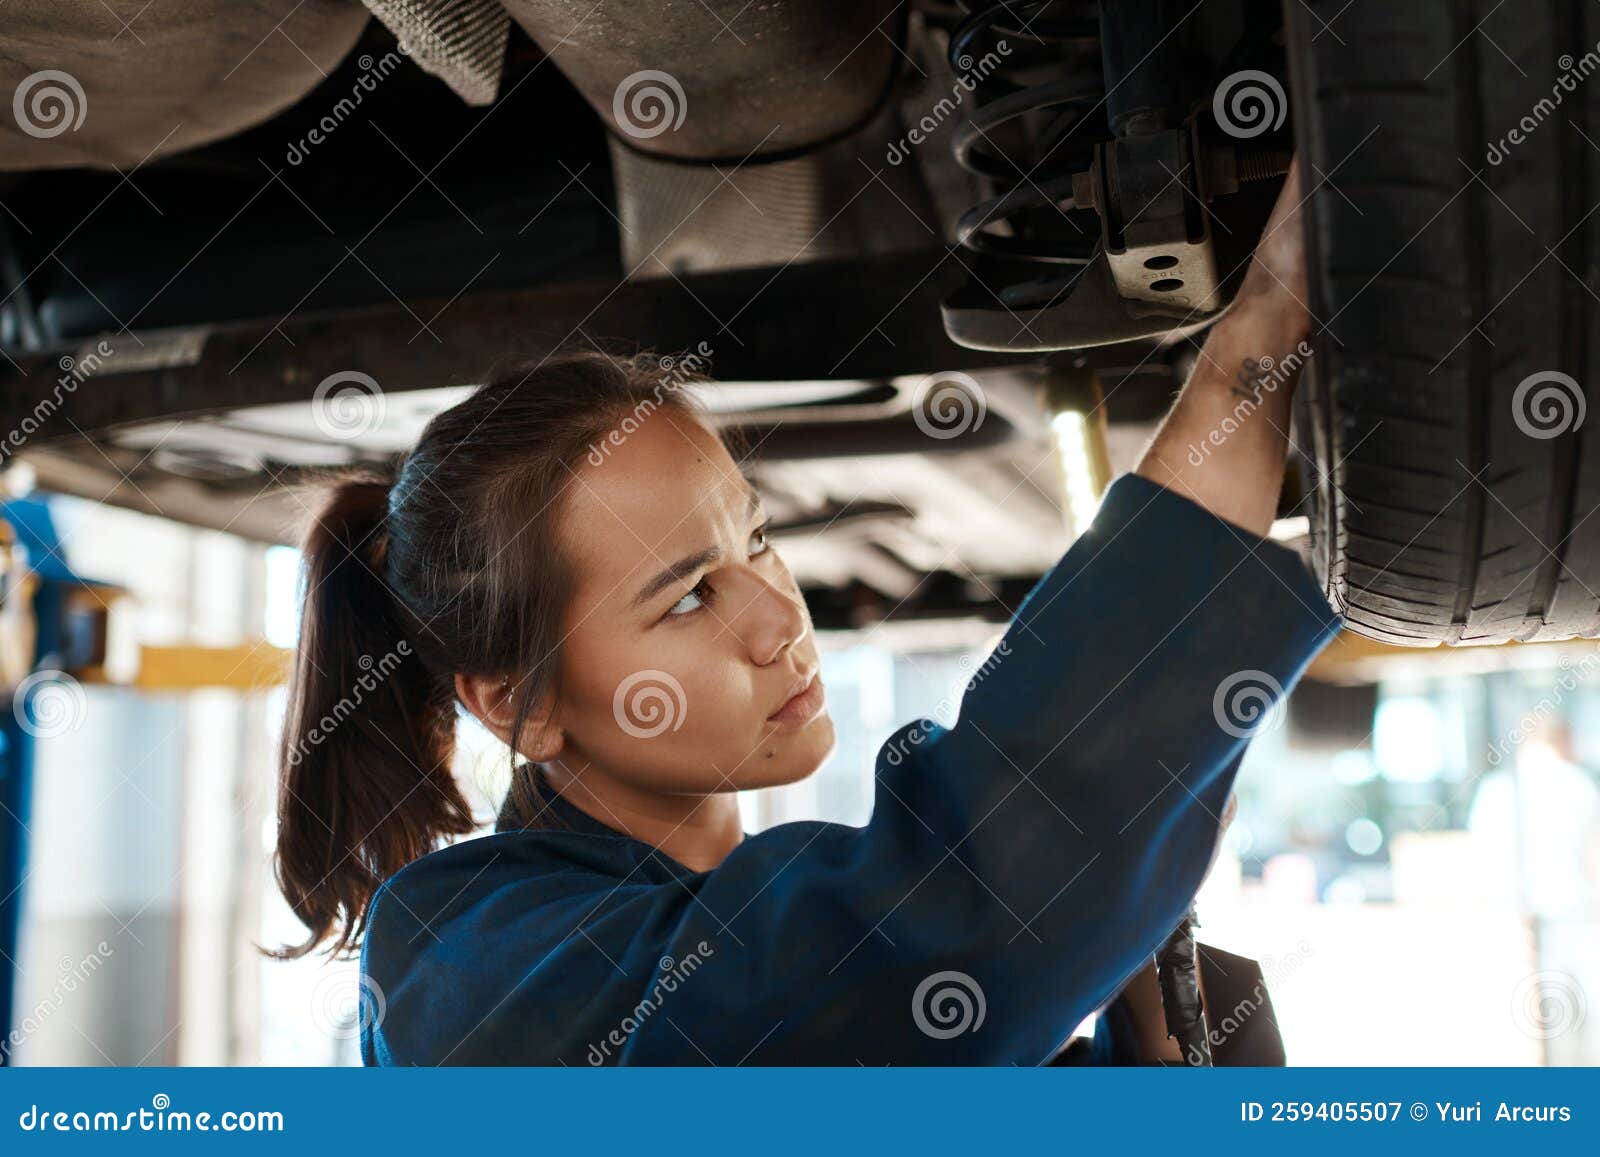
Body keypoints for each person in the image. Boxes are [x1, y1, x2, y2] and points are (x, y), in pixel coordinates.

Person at [270, 160, 1343, 1065]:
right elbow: (933, 934)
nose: (779, 620)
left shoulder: (700, 923)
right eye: (688, 595)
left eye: (756, 540)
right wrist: (1249, 349)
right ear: (521, 705)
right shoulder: (466, 981)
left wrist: (1145, 999)